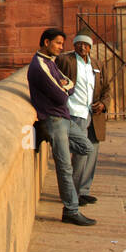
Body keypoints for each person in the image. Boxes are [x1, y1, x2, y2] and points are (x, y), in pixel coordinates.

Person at [27, 28, 95, 226]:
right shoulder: (40, 65)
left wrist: (65, 87)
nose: (61, 47)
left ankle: (53, 144)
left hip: (64, 118)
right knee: (64, 166)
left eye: (61, 44)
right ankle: (70, 210)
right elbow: (61, 95)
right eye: (58, 43)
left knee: (87, 148)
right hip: (53, 119)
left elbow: (70, 85)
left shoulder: (51, 62)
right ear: (46, 42)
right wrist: (65, 87)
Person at [57, 34, 111, 205]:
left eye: (85, 45)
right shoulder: (67, 61)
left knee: (92, 153)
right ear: (74, 45)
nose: (82, 48)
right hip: (75, 112)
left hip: (94, 114)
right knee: (80, 153)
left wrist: (103, 103)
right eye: (79, 44)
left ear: (90, 47)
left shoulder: (96, 64)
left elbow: (107, 88)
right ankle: (72, 192)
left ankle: (84, 189)